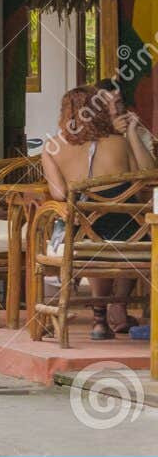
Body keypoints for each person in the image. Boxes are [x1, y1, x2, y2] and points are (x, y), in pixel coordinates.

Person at [41, 83, 154, 339]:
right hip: (131, 238)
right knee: (110, 230)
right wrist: (133, 133)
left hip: (80, 240)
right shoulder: (118, 143)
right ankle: (112, 313)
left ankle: (99, 320)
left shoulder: (52, 148)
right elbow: (148, 176)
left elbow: (59, 195)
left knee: (91, 231)